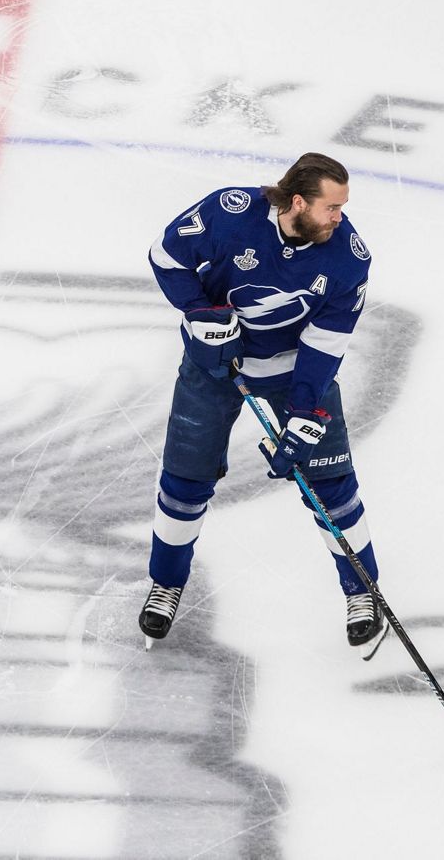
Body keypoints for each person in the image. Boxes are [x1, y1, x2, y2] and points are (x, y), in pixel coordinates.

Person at [140, 152, 388, 656]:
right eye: (331, 208)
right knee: (185, 481)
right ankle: (166, 583)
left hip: (294, 373)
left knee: (331, 484)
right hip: (212, 371)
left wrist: (304, 412)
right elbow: (166, 257)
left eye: (342, 208)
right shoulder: (229, 214)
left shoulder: (348, 258)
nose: (339, 218)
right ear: (297, 201)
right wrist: (200, 312)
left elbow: (327, 343)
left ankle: (364, 593)